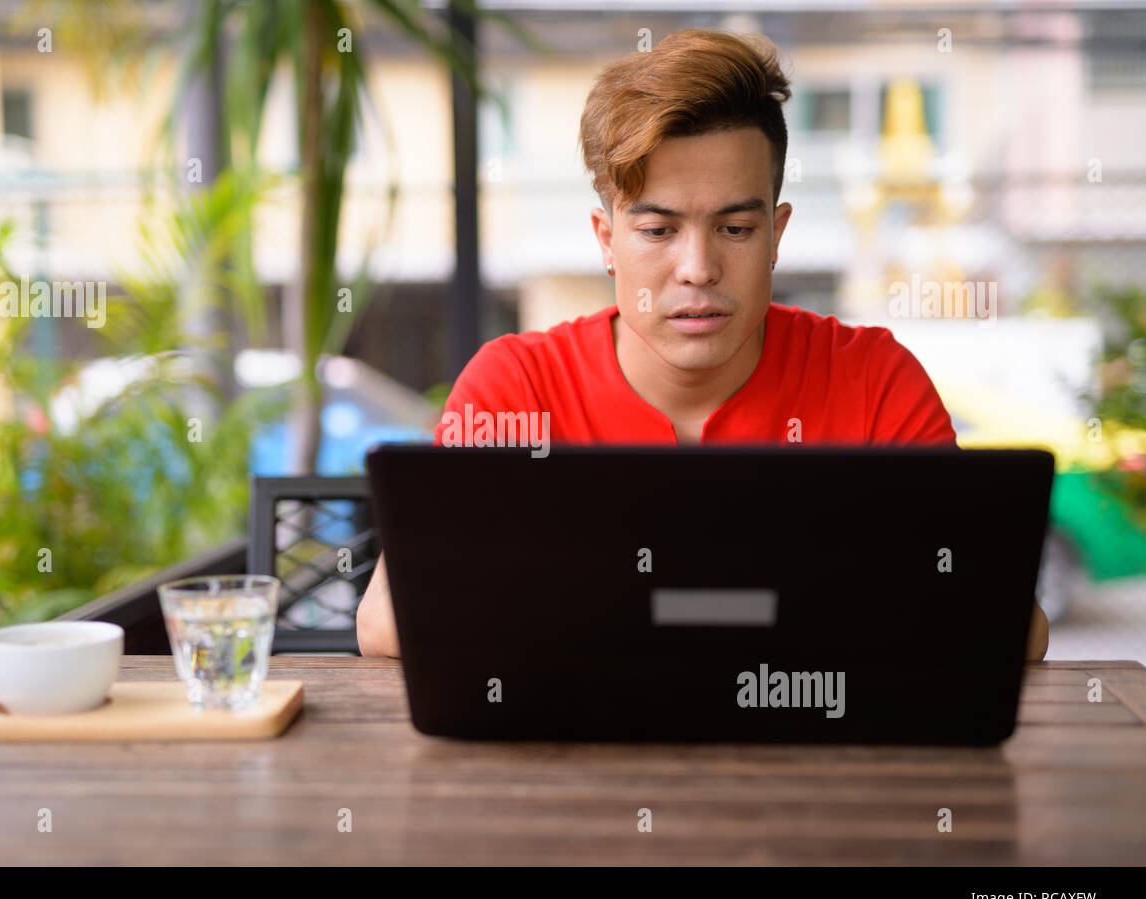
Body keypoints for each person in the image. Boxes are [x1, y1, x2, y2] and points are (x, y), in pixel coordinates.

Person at [357, 28, 1049, 661]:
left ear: (777, 234)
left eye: (736, 230)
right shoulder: (517, 385)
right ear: (607, 239)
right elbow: (387, 619)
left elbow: (1015, 626)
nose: (698, 268)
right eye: (658, 230)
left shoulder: (872, 377)